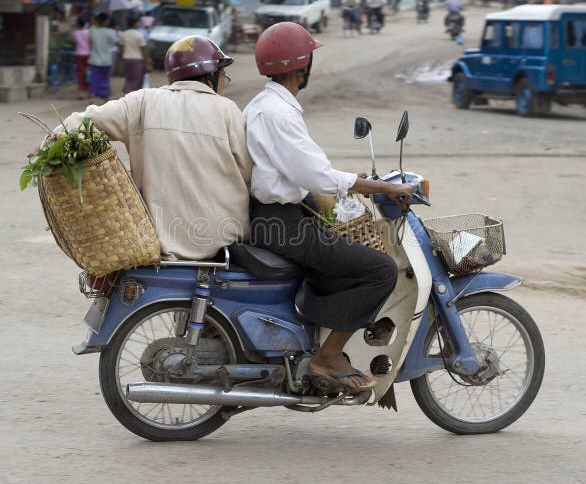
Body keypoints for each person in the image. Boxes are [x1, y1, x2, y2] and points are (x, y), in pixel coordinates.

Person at [244, 22, 413, 393]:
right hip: (286, 225)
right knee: (381, 270)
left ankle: (313, 341)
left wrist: (351, 181)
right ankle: (330, 355)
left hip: (277, 218)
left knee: (343, 261)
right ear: (300, 66)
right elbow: (316, 175)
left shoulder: (262, 106)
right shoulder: (279, 113)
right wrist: (383, 187)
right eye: (308, 59)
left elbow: (301, 169)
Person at [59, 36, 252, 260]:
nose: (223, 83)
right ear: (211, 75)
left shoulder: (143, 102)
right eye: (223, 76)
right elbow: (246, 173)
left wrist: (48, 144)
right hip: (223, 241)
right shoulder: (228, 110)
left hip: (155, 242)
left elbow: (79, 123)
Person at [87, 13, 117, 102]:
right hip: (106, 60)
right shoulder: (110, 32)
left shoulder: (92, 30)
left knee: (94, 79)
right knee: (105, 79)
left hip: (94, 59)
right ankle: (105, 96)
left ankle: (93, 95)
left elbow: (90, 40)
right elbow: (115, 41)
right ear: (105, 21)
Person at [119, 15, 151, 94]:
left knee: (128, 78)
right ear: (135, 23)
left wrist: (121, 59)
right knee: (136, 80)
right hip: (137, 60)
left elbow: (121, 48)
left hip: (126, 59)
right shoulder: (138, 34)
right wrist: (147, 61)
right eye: (138, 22)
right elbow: (143, 49)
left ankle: (127, 93)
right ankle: (131, 95)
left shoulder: (124, 34)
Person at [72, 16, 90, 99]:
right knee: (88, 73)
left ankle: (81, 92)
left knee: (80, 73)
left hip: (79, 54)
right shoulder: (88, 32)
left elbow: (75, 42)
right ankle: (89, 90)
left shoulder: (75, 33)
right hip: (88, 54)